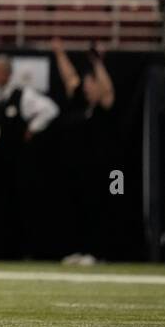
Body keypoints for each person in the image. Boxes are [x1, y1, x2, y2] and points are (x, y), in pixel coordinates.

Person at [0, 54, 59, 258]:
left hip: (12, 164)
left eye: (0, 71)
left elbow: (50, 110)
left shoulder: (21, 94)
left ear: (8, 74)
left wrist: (33, 127)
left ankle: (14, 250)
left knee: (13, 207)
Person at [49, 39, 117, 264]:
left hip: (97, 169)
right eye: (86, 82)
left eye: (91, 82)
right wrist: (60, 53)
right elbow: (69, 78)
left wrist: (97, 63)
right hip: (74, 167)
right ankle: (76, 249)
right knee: (73, 208)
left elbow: (106, 91)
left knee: (96, 209)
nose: (87, 85)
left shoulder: (103, 107)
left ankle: (96, 252)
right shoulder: (78, 103)